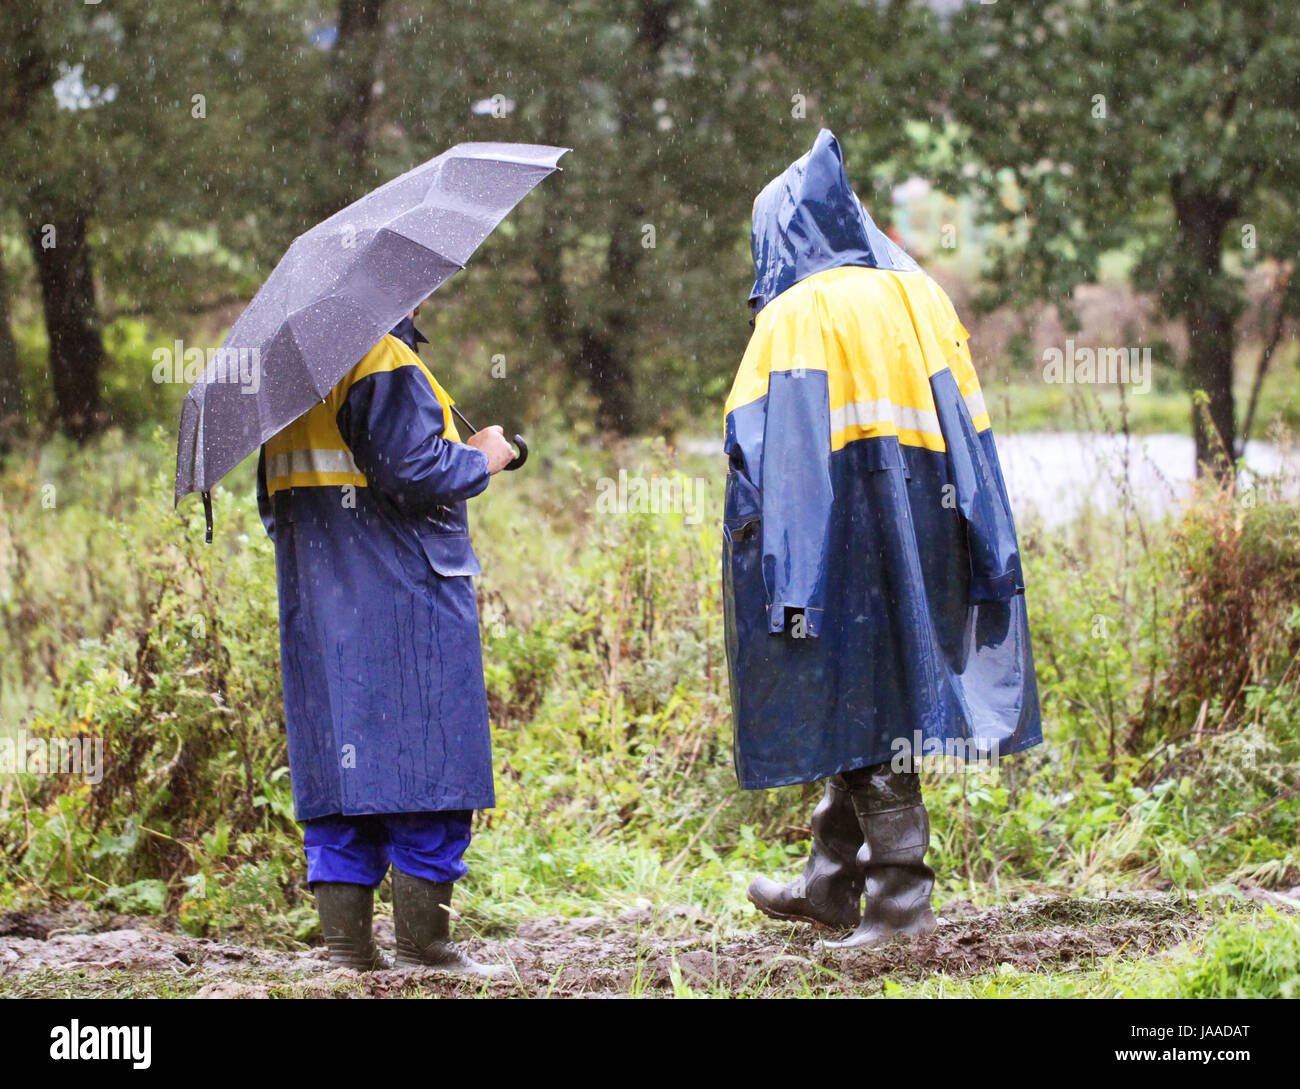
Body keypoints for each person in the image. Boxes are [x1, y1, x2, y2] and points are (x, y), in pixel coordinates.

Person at [722, 130, 1043, 948]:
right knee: (881, 701)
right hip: (933, 529)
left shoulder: (799, 314)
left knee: (854, 697)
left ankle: (901, 907)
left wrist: (789, 582)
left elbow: (783, 462)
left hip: (837, 537)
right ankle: (831, 885)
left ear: (779, 234)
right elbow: (976, 443)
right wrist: (988, 551)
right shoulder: (920, 294)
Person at [257, 309, 515, 973]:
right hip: (405, 595)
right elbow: (411, 470)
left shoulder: (289, 374)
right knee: (426, 764)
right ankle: (424, 948)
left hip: (317, 603)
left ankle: (347, 950)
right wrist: (483, 454)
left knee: (341, 775)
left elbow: (271, 506)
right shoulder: (380, 354)